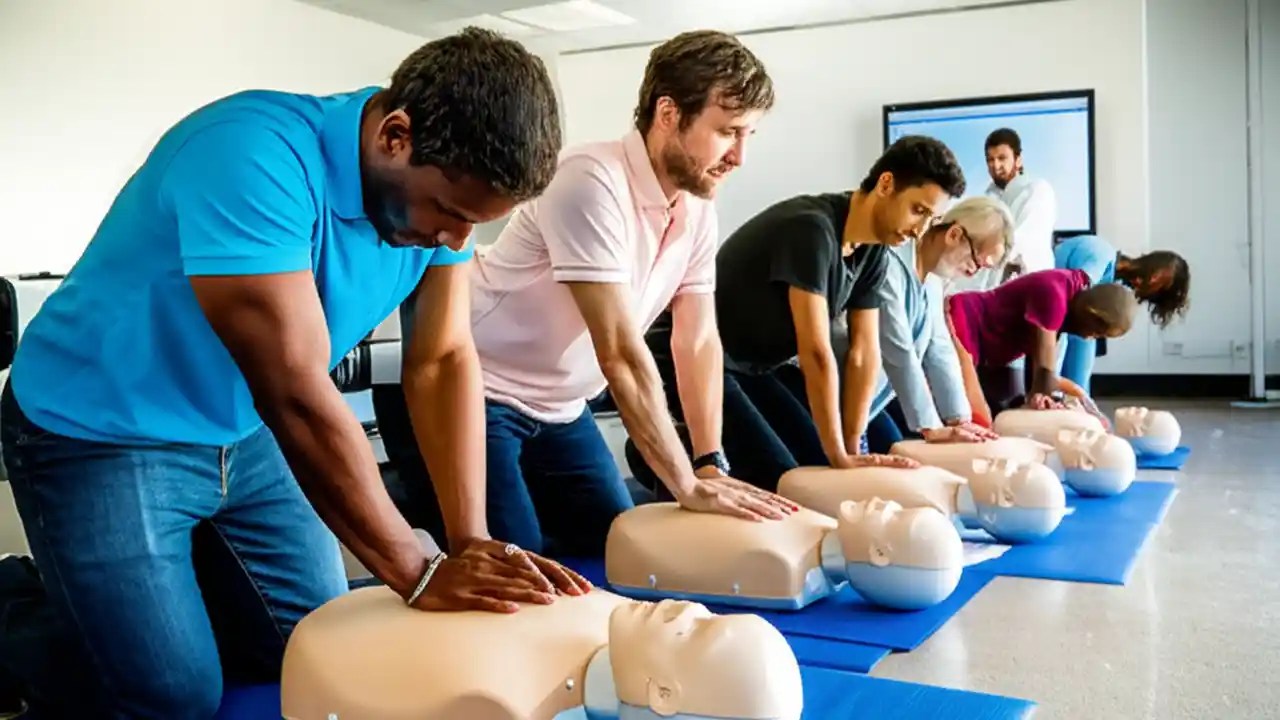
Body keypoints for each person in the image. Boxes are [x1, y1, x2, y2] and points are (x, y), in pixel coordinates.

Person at [0, 29, 591, 718]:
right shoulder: (251, 154)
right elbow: (293, 387)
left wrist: (470, 539)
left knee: (312, 646)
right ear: (396, 136)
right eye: (453, 215)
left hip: (243, 429)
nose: (457, 243)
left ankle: (131, 603)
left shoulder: (437, 200)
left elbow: (444, 358)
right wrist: (415, 566)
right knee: (170, 695)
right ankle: (20, 604)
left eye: (477, 227)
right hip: (101, 428)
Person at [375, 30, 795, 560]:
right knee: (513, 561)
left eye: (748, 134)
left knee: (616, 547)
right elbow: (618, 348)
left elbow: (697, 340)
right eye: (728, 132)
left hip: (560, 406)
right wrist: (683, 482)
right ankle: (413, 517)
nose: (739, 155)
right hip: (476, 387)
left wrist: (709, 459)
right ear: (668, 113)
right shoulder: (589, 178)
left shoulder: (696, 211)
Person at [631, 136, 967, 493]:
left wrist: (851, 450)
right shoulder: (813, 229)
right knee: (783, 479)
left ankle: (661, 450)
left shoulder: (874, 255)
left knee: (815, 469)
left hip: (754, 368)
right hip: (693, 357)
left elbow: (863, 355)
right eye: (917, 210)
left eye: (930, 219)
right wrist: (838, 453)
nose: (920, 230)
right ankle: (657, 451)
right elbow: (815, 352)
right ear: (886, 184)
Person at [863, 197, 1014, 453]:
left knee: (900, 450)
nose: (973, 272)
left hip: (867, 401)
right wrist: (931, 426)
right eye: (977, 262)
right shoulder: (889, 261)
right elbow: (898, 348)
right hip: (822, 387)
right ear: (954, 235)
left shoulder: (932, 281)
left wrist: (959, 419)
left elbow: (940, 350)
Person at [945, 269, 1139, 427]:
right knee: (979, 420)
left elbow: (1039, 365)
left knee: (1003, 408)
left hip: (987, 351)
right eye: (1097, 332)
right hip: (964, 322)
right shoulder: (1054, 292)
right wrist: (1042, 396)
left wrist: (1061, 396)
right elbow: (1045, 365)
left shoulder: (1071, 294)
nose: (1090, 338)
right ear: (1090, 312)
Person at [1053, 235, 1191, 392]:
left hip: (1060, 319)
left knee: (1083, 355)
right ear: (1153, 277)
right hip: (1048, 311)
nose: (1145, 291)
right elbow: (1070, 304)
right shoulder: (1101, 255)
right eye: (1154, 289)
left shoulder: (1108, 281)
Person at [952, 128, 1057, 292]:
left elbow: (1023, 241)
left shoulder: (1037, 190)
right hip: (993, 292)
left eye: (1002, 158)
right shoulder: (986, 199)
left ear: (1018, 160)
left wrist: (984, 251)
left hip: (1031, 287)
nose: (995, 165)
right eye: (990, 160)